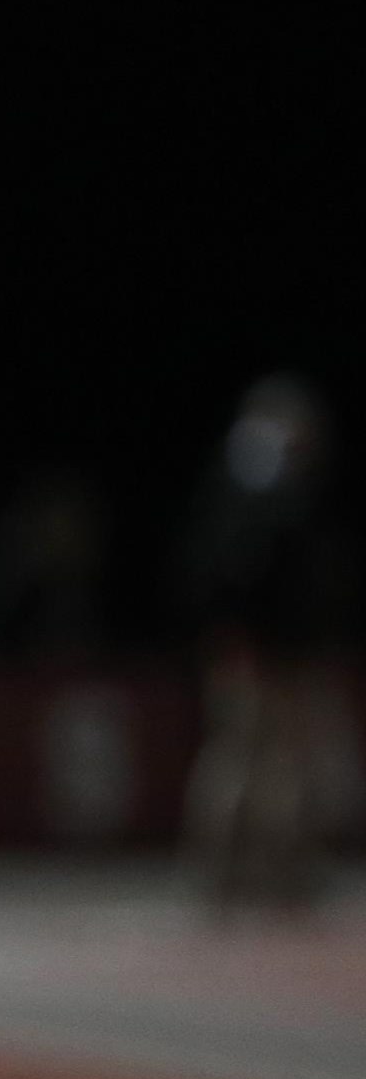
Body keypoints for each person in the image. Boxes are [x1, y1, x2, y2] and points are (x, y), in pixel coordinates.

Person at [179, 375, 356, 909]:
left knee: (250, 756)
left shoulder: (239, 476)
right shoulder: (260, 480)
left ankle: (240, 873)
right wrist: (250, 640)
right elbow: (249, 574)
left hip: (254, 645)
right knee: (259, 758)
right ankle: (261, 873)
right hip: (263, 649)